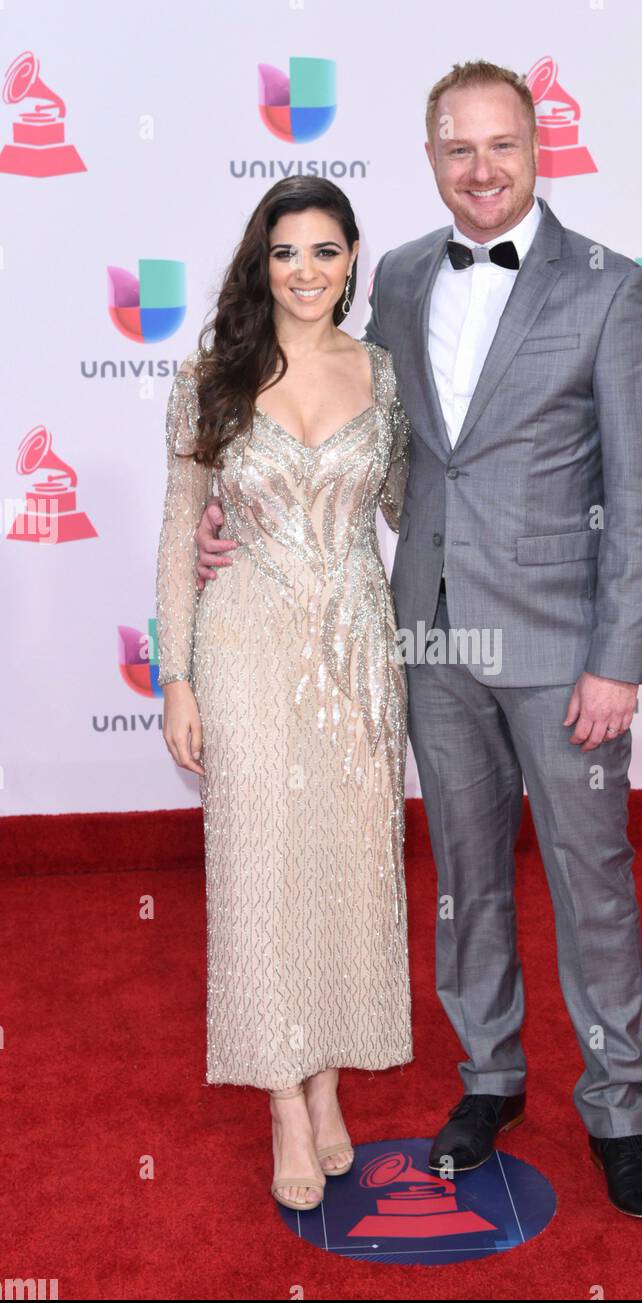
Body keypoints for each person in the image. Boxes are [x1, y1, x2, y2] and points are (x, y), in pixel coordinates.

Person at [195, 61, 642, 1218]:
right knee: (464, 879)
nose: (481, 169)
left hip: (566, 647)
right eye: (458, 149)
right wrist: (234, 519)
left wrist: (621, 656)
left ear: (536, 146)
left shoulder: (611, 289)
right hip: (424, 639)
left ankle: (616, 1108)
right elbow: (345, 434)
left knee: (591, 879)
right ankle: (490, 1080)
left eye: (501, 145)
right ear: (430, 157)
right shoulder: (400, 277)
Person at [155, 176, 413, 1214]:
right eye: (285, 253)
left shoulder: (387, 377)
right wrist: (176, 674)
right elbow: (181, 532)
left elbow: (408, 504)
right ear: (260, 264)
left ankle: (326, 1074)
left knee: (346, 865)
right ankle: (282, 1102)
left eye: (324, 251)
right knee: (261, 867)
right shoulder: (212, 375)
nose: (305, 272)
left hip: (357, 648)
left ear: (353, 259)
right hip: (247, 644)